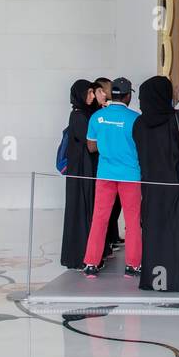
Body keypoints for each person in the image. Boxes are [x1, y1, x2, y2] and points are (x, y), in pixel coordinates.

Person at [133, 75, 179, 292]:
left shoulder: (139, 123)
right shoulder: (178, 117)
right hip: (175, 183)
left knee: (154, 231)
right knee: (178, 228)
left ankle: (155, 279)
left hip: (151, 186)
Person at [82, 78, 142, 277]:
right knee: (132, 221)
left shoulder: (97, 117)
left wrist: (109, 145)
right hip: (130, 175)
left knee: (99, 218)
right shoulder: (135, 118)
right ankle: (132, 265)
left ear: (110, 95)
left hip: (105, 173)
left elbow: (91, 146)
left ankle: (91, 263)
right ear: (128, 96)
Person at [61, 79, 97, 269]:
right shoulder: (79, 117)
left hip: (84, 170)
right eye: (89, 93)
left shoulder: (84, 114)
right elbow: (90, 145)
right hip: (80, 172)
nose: (92, 96)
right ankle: (79, 255)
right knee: (80, 211)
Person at [91, 77, 123, 251]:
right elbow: (91, 144)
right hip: (106, 168)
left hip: (110, 169)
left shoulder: (105, 111)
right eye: (103, 90)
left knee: (114, 208)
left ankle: (111, 238)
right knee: (103, 213)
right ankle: (102, 248)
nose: (107, 93)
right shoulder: (96, 115)